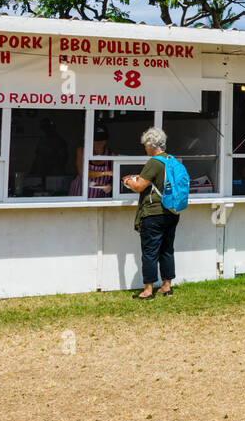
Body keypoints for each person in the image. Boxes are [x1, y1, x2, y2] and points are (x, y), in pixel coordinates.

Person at [122, 127, 178, 299]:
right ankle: (166, 286)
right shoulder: (171, 160)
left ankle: (148, 290)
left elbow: (139, 186)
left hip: (154, 214)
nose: (145, 148)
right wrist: (138, 178)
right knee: (167, 250)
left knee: (150, 252)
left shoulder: (154, 162)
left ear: (151, 145)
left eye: (145, 145)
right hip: (172, 212)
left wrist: (127, 181)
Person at [70, 126, 113, 197]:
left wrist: (110, 185)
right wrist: (105, 173)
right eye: (96, 139)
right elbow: (83, 173)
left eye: (102, 139)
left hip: (101, 195)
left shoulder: (110, 155)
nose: (100, 142)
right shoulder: (82, 151)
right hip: (81, 193)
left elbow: (114, 177)